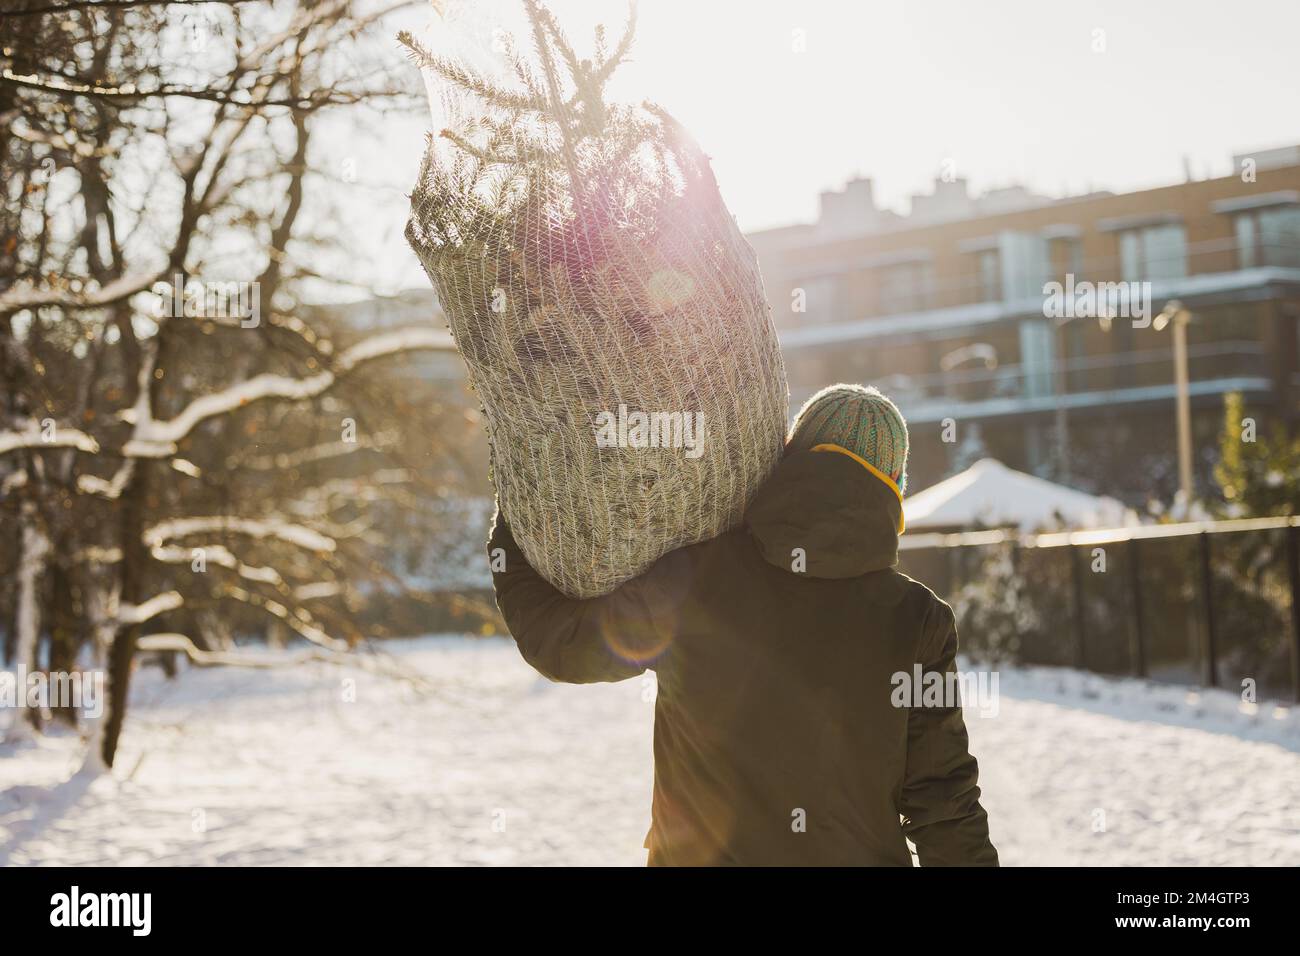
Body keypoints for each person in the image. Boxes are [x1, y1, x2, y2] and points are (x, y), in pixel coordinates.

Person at [488, 383, 998, 866]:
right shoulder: (918, 621)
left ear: (789, 460)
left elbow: (561, 646)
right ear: (893, 494)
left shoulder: (696, 579)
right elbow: (944, 801)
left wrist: (513, 535)